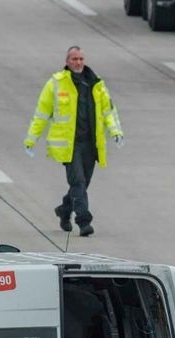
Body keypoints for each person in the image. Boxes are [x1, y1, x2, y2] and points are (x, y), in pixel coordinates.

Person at [24, 46, 123, 237]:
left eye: (81, 59)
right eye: (74, 59)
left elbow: (108, 111)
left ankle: (64, 209)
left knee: (82, 184)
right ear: (67, 62)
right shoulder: (56, 83)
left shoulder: (97, 84)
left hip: (91, 144)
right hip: (69, 145)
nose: (78, 62)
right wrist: (31, 139)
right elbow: (41, 113)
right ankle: (83, 221)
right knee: (77, 181)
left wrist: (115, 131)